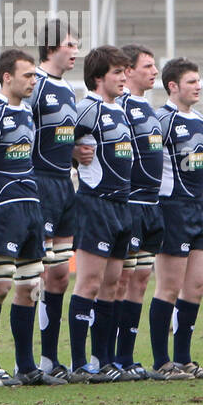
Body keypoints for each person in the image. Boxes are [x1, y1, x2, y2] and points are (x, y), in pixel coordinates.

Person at [0, 49, 63, 386]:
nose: (34, 81)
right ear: (7, 77)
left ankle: (26, 367)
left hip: (31, 205)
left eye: (35, 75)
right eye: (27, 75)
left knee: (30, 287)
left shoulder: (27, 112)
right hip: (3, 206)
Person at [149, 58, 203, 378]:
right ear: (173, 86)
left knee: (196, 286)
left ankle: (184, 360)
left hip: (197, 210)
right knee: (168, 287)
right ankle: (161, 363)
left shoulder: (200, 122)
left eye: (199, 81)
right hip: (171, 209)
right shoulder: (162, 121)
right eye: (192, 81)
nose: (198, 86)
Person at [68, 45, 137, 382]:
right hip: (95, 204)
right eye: (117, 73)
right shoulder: (85, 109)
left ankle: (103, 360)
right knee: (90, 282)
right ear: (98, 78)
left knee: (112, 285)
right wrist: (72, 152)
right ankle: (79, 364)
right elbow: (55, 142)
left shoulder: (120, 110)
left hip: (122, 205)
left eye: (125, 71)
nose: (124, 77)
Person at [112, 44, 165, 377]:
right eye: (148, 65)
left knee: (141, 280)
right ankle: (110, 357)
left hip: (152, 204)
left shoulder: (150, 109)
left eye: (155, 64)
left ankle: (127, 358)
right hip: (129, 203)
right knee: (120, 281)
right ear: (128, 71)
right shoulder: (122, 107)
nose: (155, 70)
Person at [31, 22, 81, 378]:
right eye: (69, 44)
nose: (75, 50)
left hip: (66, 185)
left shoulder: (68, 91)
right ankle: (30, 360)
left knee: (60, 275)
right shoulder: (34, 84)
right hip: (39, 186)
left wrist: (78, 152)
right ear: (51, 49)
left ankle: (51, 357)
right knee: (36, 275)